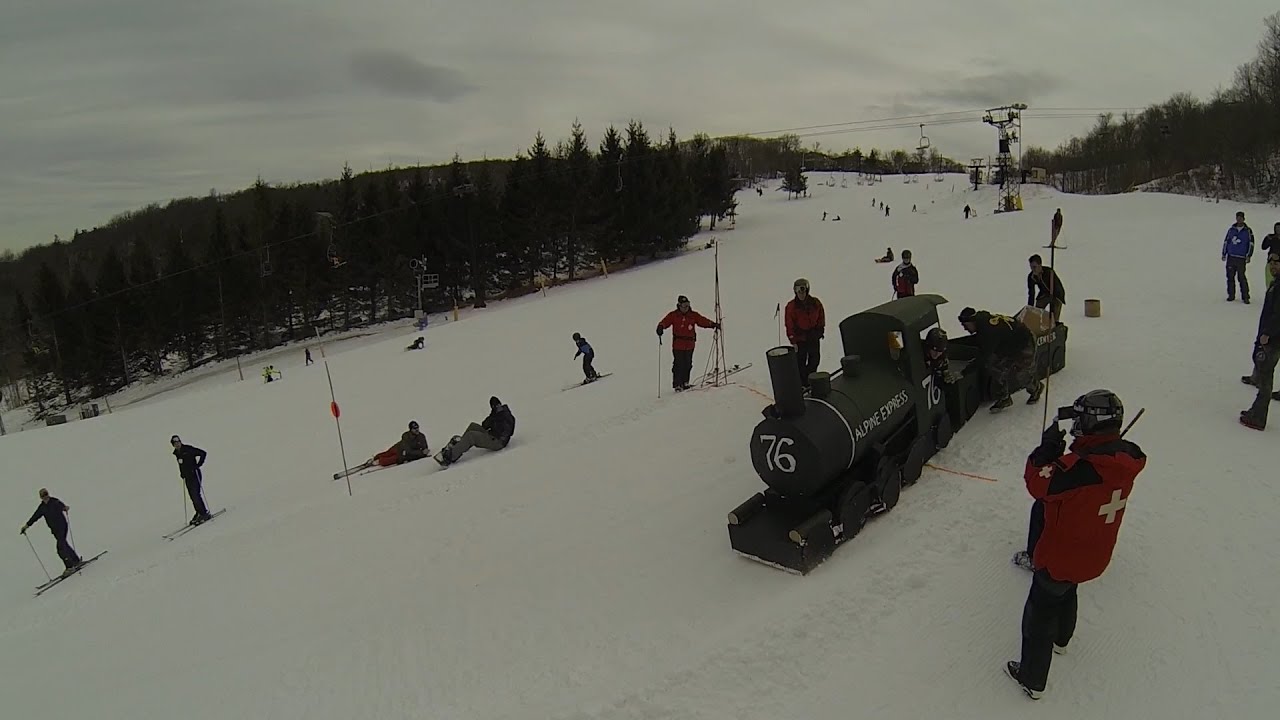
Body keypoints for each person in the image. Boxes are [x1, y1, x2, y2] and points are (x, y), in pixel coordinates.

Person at [1006, 390, 1146, 700]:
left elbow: (1037, 483)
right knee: (1070, 588)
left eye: (1080, 419)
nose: (1076, 426)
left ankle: (1032, 678)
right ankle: (1062, 640)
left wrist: (1046, 451)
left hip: (1060, 555)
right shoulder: (1125, 458)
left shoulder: (1077, 469)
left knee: (1039, 614)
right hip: (1095, 553)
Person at [957, 306, 1043, 412]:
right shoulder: (982, 322)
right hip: (1007, 346)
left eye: (965, 325)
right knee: (995, 367)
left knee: (1022, 375)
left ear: (972, 321)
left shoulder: (987, 331)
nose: (965, 328)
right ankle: (1005, 397)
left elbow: (983, 356)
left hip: (1024, 343)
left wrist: (964, 372)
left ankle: (1036, 388)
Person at [1240, 252, 1280, 430]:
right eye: (1271, 263)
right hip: (1267, 337)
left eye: (1277, 263)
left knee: (1265, 379)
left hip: (1272, 339)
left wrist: (1268, 334)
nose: (1273, 266)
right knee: (1263, 374)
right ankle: (1256, 411)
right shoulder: (1275, 283)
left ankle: (1258, 417)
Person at [656, 295, 718, 392]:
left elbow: (702, 321)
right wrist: (661, 326)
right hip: (678, 345)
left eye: (687, 305)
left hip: (690, 344)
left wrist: (712, 324)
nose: (686, 308)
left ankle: (685, 382)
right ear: (679, 305)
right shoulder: (673, 315)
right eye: (684, 305)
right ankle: (677, 384)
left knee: (688, 364)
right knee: (678, 364)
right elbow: (665, 322)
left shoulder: (693, 315)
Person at [436, 396, 516, 466]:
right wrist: (492, 416)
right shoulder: (495, 415)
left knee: (471, 436)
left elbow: (508, 432)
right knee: (473, 426)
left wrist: (496, 421)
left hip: (498, 442)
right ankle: (460, 445)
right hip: (492, 436)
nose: (497, 407)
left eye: (498, 405)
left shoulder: (506, 416)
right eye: (494, 406)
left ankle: (450, 456)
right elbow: (484, 425)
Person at [20, 488, 82, 575]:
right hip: (55, 530)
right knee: (64, 544)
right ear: (41, 497)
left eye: (46, 494)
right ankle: (76, 560)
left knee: (60, 548)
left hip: (62, 526)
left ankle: (70, 567)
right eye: (43, 496)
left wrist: (65, 508)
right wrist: (26, 526)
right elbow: (35, 517)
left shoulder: (54, 501)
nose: (45, 497)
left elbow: (61, 505)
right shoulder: (42, 507)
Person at [785, 278, 825, 389]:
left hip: (813, 336)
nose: (801, 294)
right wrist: (793, 339)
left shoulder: (815, 303)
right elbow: (789, 324)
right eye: (798, 291)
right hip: (800, 338)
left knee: (815, 359)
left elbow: (821, 316)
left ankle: (810, 380)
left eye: (803, 291)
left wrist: (820, 330)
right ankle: (802, 384)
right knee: (800, 362)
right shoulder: (791, 307)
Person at [171, 435, 211, 525]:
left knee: (196, 494)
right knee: (192, 496)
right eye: (175, 443)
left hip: (195, 474)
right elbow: (181, 465)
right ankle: (199, 512)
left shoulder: (188, 449)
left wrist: (198, 465)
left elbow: (202, 453)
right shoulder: (177, 453)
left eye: (178, 442)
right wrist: (182, 473)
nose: (177, 444)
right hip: (187, 477)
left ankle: (204, 513)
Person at [1222, 211, 1255, 303]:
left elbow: (1251, 243)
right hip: (1231, 257)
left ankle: (1245, 296)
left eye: (1241, 217)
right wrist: (1224, 253)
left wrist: (1249, 255)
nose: (1239, 219)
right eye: (1237, 217)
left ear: (1243, 219)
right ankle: (1231, 295)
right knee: (1230, 277)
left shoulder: (1248, 231)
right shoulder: (1231, 230)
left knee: (1241, 277)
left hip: (1241, 258)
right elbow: (1226, 241)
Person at [1027, 254, 1066, 323]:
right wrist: (1030, 308)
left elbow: (1057, 287)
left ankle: (1054, 326)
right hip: (1044, 294)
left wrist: (1054, 297)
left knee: (1054, 317)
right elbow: (1031, 293)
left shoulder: (1049, 272)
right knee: (1037, 310)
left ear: (1040, 265)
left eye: (1034, 267)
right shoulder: (1031, 277)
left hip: (1057, 295)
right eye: (1031, 267)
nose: (1033, 269)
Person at [1261, 222, 1278, 288]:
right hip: (1271, 262)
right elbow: (1263, 247)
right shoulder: (1272, 237)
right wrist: (1267, 239)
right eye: (1277, 228)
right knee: (1270, 281)